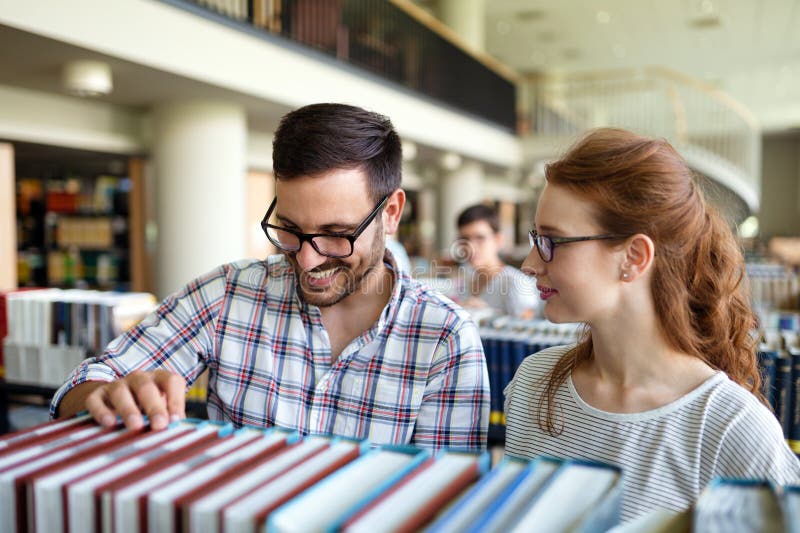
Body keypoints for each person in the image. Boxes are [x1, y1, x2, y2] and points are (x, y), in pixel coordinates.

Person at [51, 103, 489, 451]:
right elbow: (86, 382)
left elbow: (448, 502)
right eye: (290, 230)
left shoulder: (446, 339)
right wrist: (103, 396)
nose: (307, 262)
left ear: (390, 213)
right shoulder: (226, 293)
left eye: (336, 235)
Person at [504, 128, 800, 521]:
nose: (529, 263)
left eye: (551, 241)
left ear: (634, 256)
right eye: (534, 237)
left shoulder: (731, 429)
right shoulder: (533, 385)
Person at [454, 204, 540, 318]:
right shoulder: (466, 280)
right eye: (464, 239)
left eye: (480, 238)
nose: (470, 247)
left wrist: (488, 315)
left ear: (498, 240)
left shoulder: (515, 283)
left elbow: (529, 328)